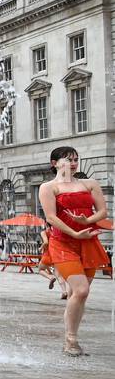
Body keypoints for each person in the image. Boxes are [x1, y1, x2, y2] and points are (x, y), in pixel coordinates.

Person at [39, 147, 109, 355]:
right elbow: (51, 218)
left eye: (76, 159)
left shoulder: (89, 184)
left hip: (88, 241)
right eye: (68, 159)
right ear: (54, 163)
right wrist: (74, 232)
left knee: (77, 294)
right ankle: (71, 340)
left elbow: (103, 211)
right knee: (81, 291)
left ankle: (71, 335)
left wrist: (87, 221)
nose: (73, 163)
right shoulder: (48, 187)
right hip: (63, 243)